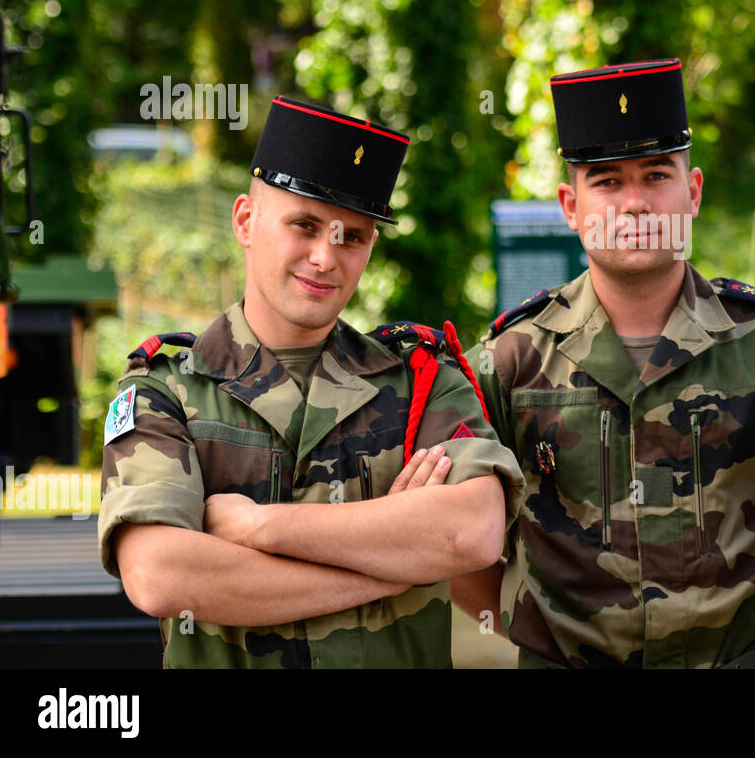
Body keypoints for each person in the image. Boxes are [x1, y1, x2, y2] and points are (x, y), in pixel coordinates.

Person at [97, 95, 525, 668]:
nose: (326, 256)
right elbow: (161, 574)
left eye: (353, 235)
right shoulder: (165, 393)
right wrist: (392, 567)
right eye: (304, 225)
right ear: (246, 221)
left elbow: (469, 535)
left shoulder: (423, 383)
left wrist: (258, 526)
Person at [452, 58, 755, 668]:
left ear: (691, 191)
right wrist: (529, 627)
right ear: (570, 205)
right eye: (607, 181)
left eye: (656, 175)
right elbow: (451, 538)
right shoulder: (511, 360)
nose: (635, 204)